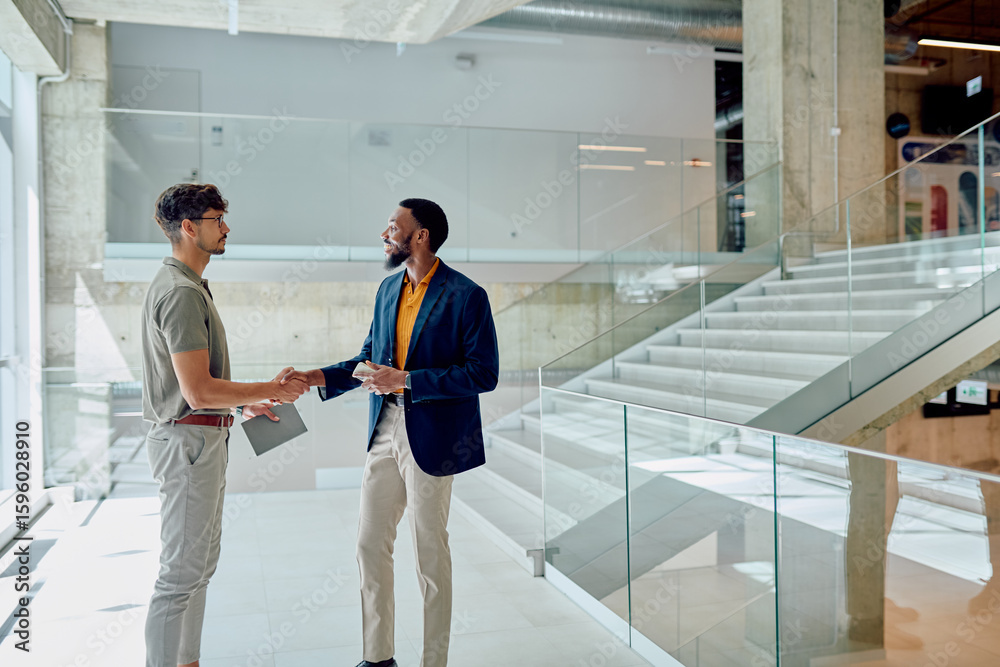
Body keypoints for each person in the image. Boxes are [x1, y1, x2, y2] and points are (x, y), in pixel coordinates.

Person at [282, 198, 499, 667]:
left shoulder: (466, 295)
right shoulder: (386, 290)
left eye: (392, 226)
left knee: (429, 553)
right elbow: (367, 359)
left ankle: (433, 661)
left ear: (419, 236)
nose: (384, 233)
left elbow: (483, 373)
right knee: (368, 543)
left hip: (435, 435)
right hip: (384, 429)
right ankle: (377, 658)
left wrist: (406, 380)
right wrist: (312, 377)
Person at [141, 183, 308, 667]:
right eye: (218, 219)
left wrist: (243, 406)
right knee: (179, 576)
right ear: (190, 227)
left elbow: (200, 389)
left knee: (197, 569)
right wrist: (267, 390)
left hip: (200, 436)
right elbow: (197, 391)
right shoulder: (179, 293)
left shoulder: (188, 287)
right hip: (188, 442)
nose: (227, 228)